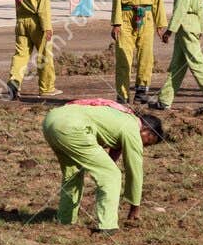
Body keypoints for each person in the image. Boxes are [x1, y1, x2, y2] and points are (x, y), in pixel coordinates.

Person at [41, 98, 164, 233]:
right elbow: (134, 170)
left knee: (73, 173)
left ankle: (65, 219)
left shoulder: (121, 115)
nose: (144, 146)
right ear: (147, 130)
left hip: (51, 120)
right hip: (72, 127)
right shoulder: (133, 127)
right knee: (111, 174)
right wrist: (135, 206)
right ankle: (107, 225)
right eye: (148, 142)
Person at [112, 0, 167, 104]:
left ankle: (141, 93)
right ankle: (122, 95)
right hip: (126, 18)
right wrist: (116, 23)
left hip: (147, 19)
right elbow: (116, 0)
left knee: (146, 57)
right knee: (124, 58)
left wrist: (160, 25)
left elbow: (158, 2)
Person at [7, 0, 55, 99]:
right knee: (44, 55)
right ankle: (46, 88)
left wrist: (18, 22)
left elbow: (18, 1)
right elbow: (43, 8)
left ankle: (14, 81)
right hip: (36, 22)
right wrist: (47, 27)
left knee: (21, 55)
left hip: (21, 21)